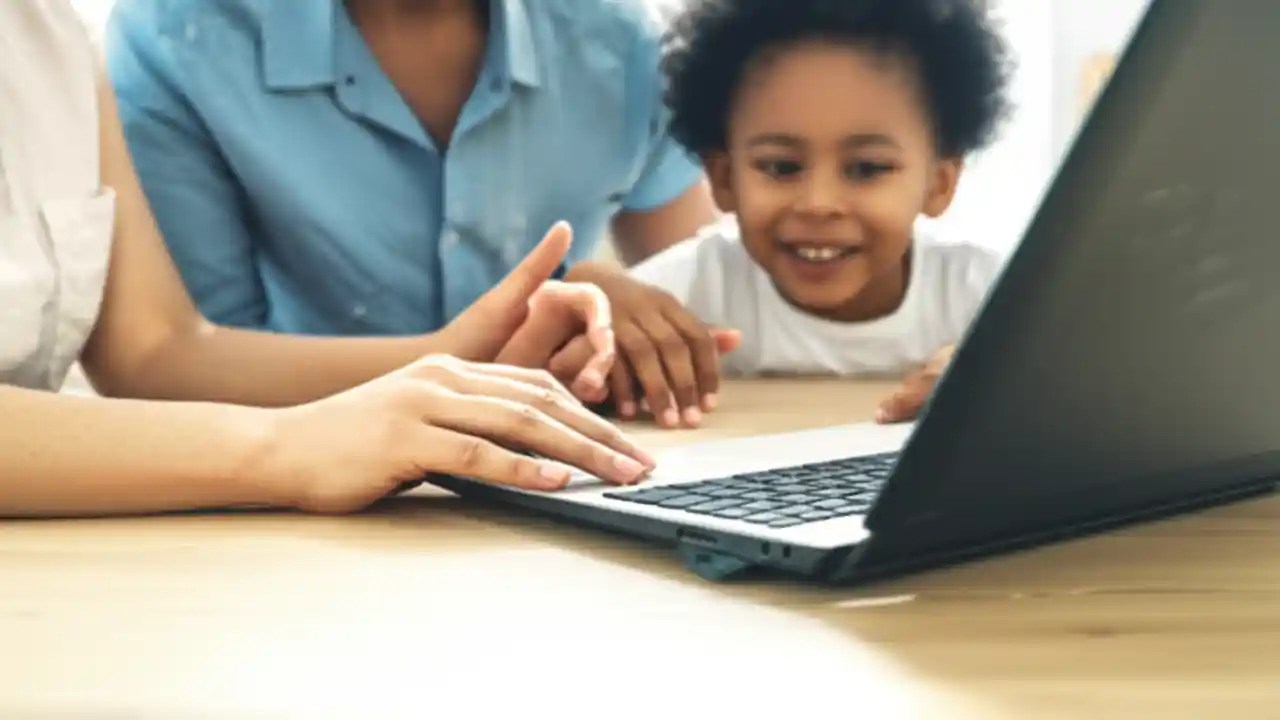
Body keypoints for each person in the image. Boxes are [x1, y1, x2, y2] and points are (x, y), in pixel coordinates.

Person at [0, 0, 655, 519]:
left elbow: (153, 349)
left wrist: (460, 358)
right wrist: (292, 447)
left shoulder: (54, 33)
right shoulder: (170, 33)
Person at [106, 0, 737, 430]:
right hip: (289, 483)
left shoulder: (624, 38)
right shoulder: (180, 34)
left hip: (561, 476)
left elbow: (706, 302)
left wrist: (616, 314)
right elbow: (176, 367)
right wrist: (477, 365)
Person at [626, 0, 1012, 423]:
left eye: (866, 169)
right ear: (724, 178)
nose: (818, 204)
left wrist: (999, 372)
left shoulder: (993, 298)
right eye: (781, 167)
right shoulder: (678, 299)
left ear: (939, 183)